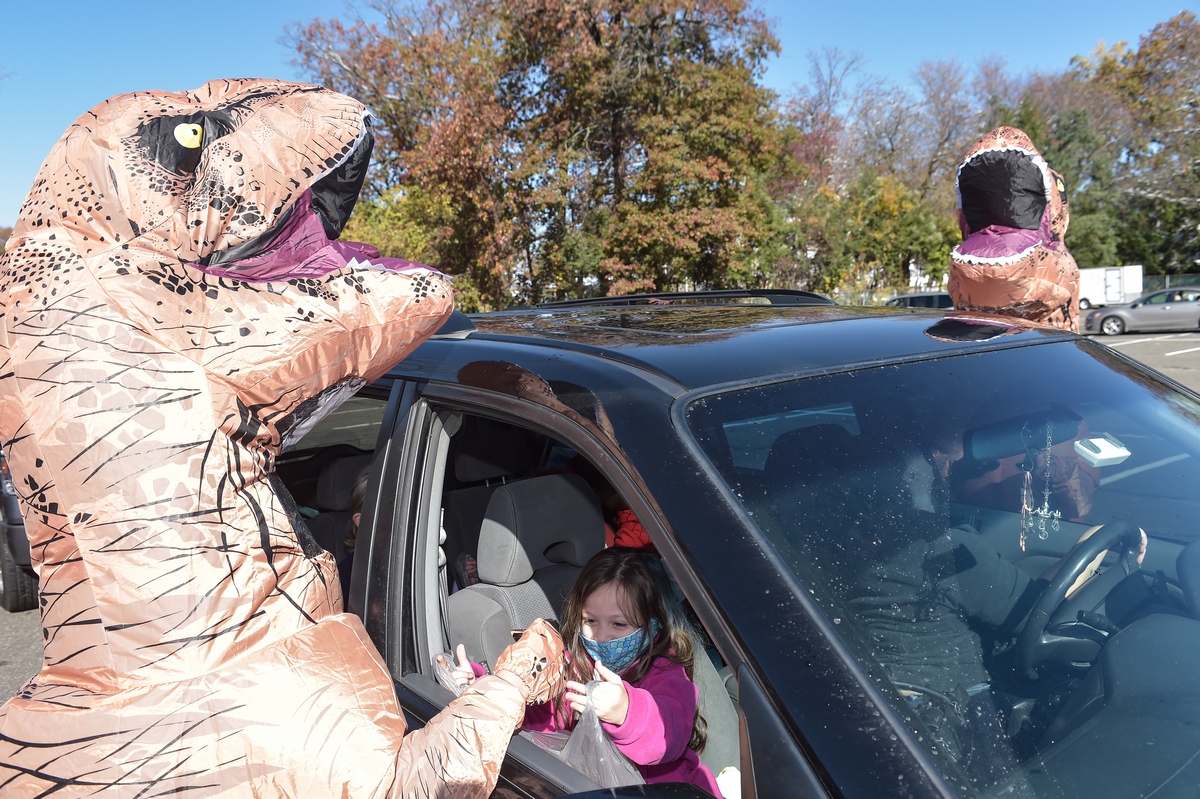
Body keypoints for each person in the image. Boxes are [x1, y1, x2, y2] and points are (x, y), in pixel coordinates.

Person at [441, 548, 722, 797]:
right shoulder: (572, 663)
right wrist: (482, 684)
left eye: (619, 624)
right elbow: (539, 709)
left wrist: (627, 711)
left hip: (673, 790)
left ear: (652, 624)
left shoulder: (666, 669)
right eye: (590, 621)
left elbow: (668, 735)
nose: (601, 636)